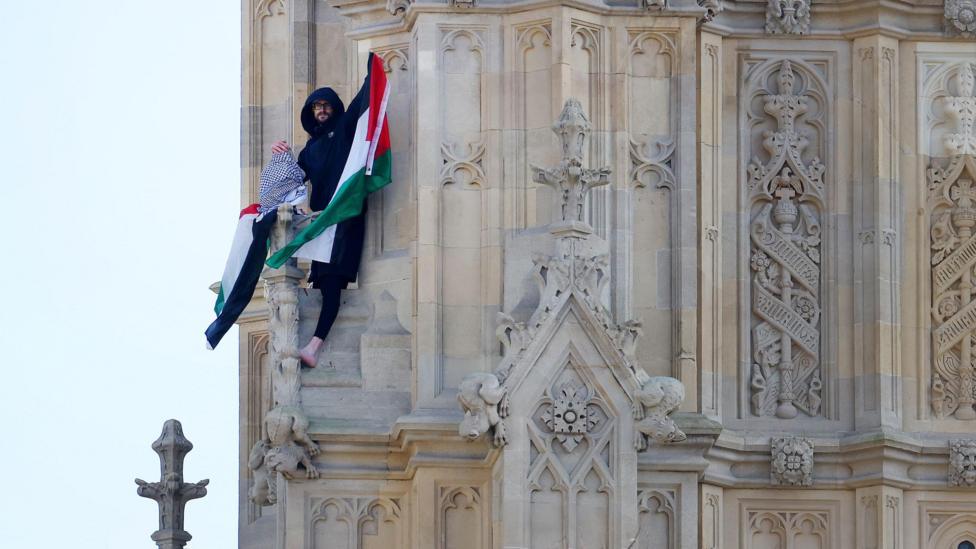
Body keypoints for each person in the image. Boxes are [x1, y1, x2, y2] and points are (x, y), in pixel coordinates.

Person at [271, 87, 367, 368]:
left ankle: (314, 346)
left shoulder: (345, 131)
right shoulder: (310, 149)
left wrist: (373, 68)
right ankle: (312, 347)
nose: (322, 110)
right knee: (323, 280)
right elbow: (292, 180)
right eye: (316, 107)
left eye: (326, 105)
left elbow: (361, 104)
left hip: (346, 215)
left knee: (333, 282)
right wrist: (281, 155)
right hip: (323, 221)